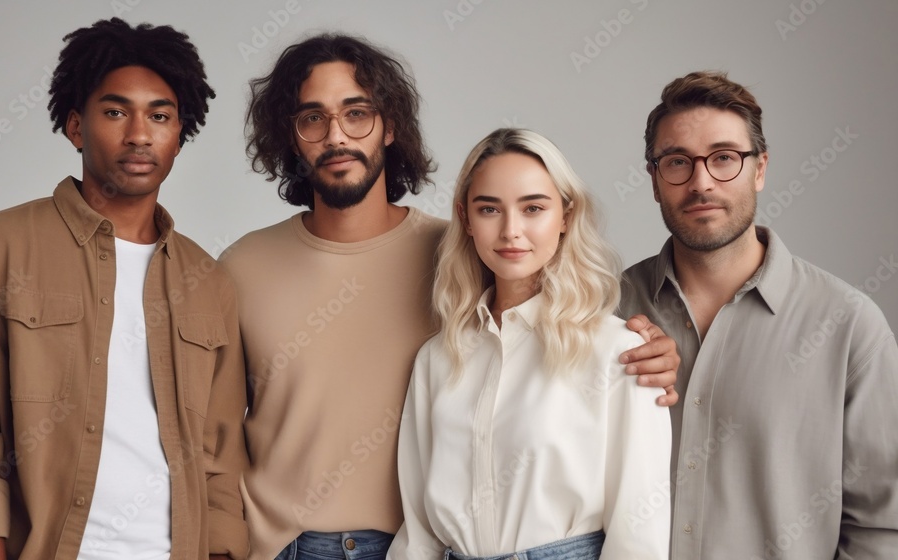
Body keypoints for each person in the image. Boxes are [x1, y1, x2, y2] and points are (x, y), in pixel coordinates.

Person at [220, 34, 679, 560]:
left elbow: (553, 322)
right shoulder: (244, 267)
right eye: (312, 118)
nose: (336, 135)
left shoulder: (463, 255)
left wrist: (643, 347)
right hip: (287, 548)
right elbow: (212, 435)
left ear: (390, 125)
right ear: (291, 134)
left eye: (357, 113)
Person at [0, 18, 249, 560]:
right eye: (116, 111)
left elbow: (219, 465)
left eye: (160, 116)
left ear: (179, 135)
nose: (139, 134)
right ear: (76, 127)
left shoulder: (208, 280)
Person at [619, 71, 898, 559]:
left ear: (760, 169)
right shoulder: (605, 309)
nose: (701, 182)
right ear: (654, 180)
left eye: (724, 158)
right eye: (678, 162)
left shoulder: (849, 326)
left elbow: (882, 525)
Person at [388, 128, 672, 560]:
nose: (510, 231)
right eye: (489, 209)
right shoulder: (438, 359)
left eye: (533, 208)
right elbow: (419, 531)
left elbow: (639, 532)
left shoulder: (620, 352)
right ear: (465, 219)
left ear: (565, 217)